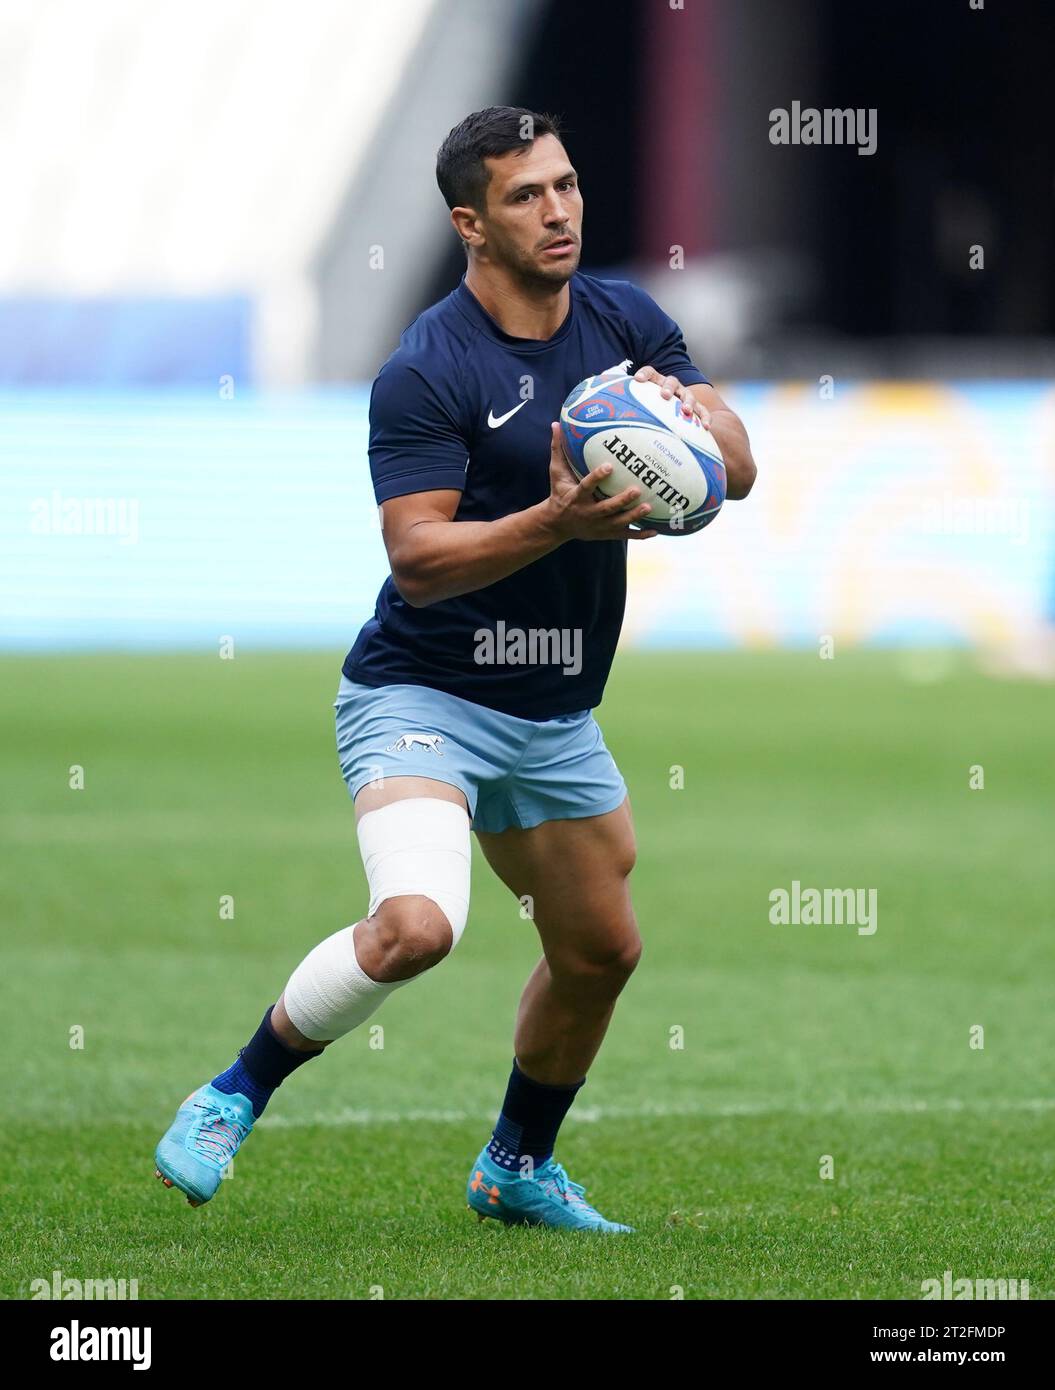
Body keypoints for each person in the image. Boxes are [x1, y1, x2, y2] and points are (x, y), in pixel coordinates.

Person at [154, 105, 756, 1232]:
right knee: (418, 926)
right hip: (420, 695)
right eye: (526, 196)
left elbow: (735, 460)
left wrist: (700, 441)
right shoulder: (426, 366)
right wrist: (555, 521)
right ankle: (234, 1091)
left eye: (566, 184)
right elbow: (418, 559)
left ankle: (514, 1168)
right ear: (468, 223)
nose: (559, 209)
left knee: (599, 953)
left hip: (554, 709)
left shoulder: (627, 322)